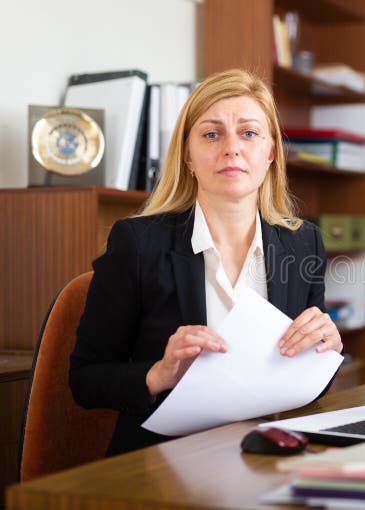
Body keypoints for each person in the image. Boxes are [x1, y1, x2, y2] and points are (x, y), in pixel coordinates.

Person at [69, 69, 343, 456]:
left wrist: (325, 351)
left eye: (249, 133)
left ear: (270, 153)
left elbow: (306, 381)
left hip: (267, 454)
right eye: (212, 134)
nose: (232, 148)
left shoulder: (303, 243)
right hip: (166, 461)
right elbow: (84, 380)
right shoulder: (137, 243)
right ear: (188, 156)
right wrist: (159, 374)